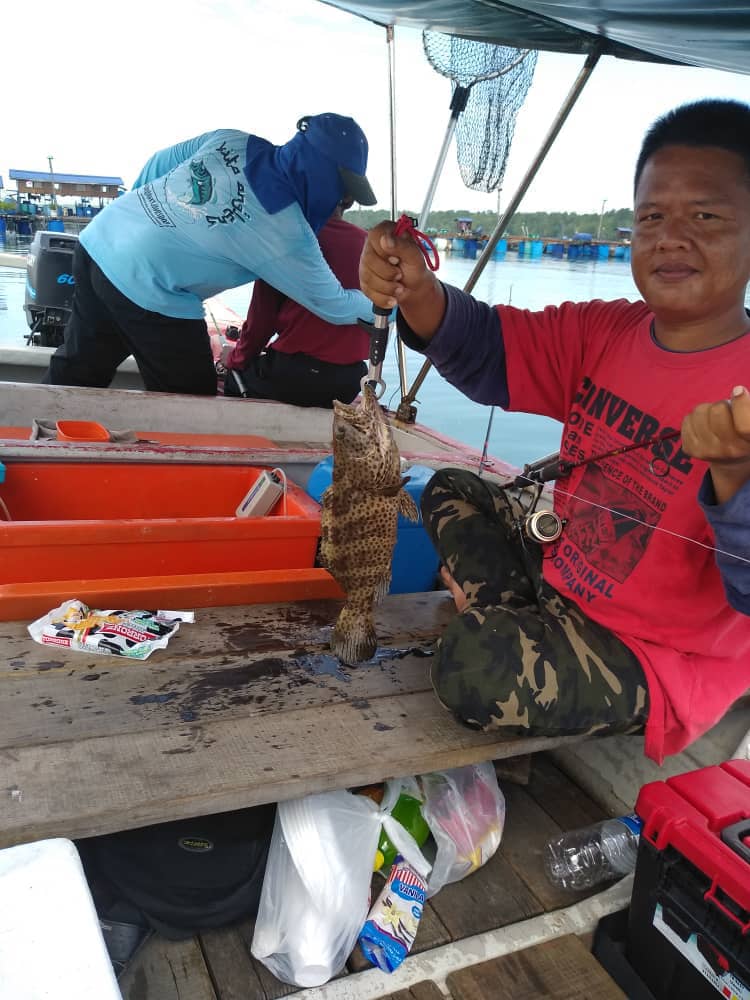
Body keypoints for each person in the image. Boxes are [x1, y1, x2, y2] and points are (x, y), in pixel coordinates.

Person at [359, 98, 750, 764]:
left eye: (705, 216)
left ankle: (501, 625)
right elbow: (488, 348)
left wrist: (736, 476)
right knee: (450, 486)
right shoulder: (607, 329)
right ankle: (515, 615)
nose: (670, 237)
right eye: (652, 216)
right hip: (562, 573)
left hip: (653, 657)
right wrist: (417, 292)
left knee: (471, 669)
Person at [42, 114, 377, 395]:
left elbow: (159, 163)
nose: (342, 206)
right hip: (154, 291)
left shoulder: (232, 141)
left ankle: (37, 446)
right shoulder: (287, 233)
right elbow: (335, 306)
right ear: (322, 178)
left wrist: (135, 223)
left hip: (100, 240)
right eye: (343, 196)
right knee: (193, 402)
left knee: (77, 372)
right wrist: (391, 306)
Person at [223, 196, 370, 406]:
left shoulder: (286, 242)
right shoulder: (370, 246)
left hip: (293, 376)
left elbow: (260, 324)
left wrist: (234, 359)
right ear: (348, 201)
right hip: (349, 380)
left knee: (233, 380)